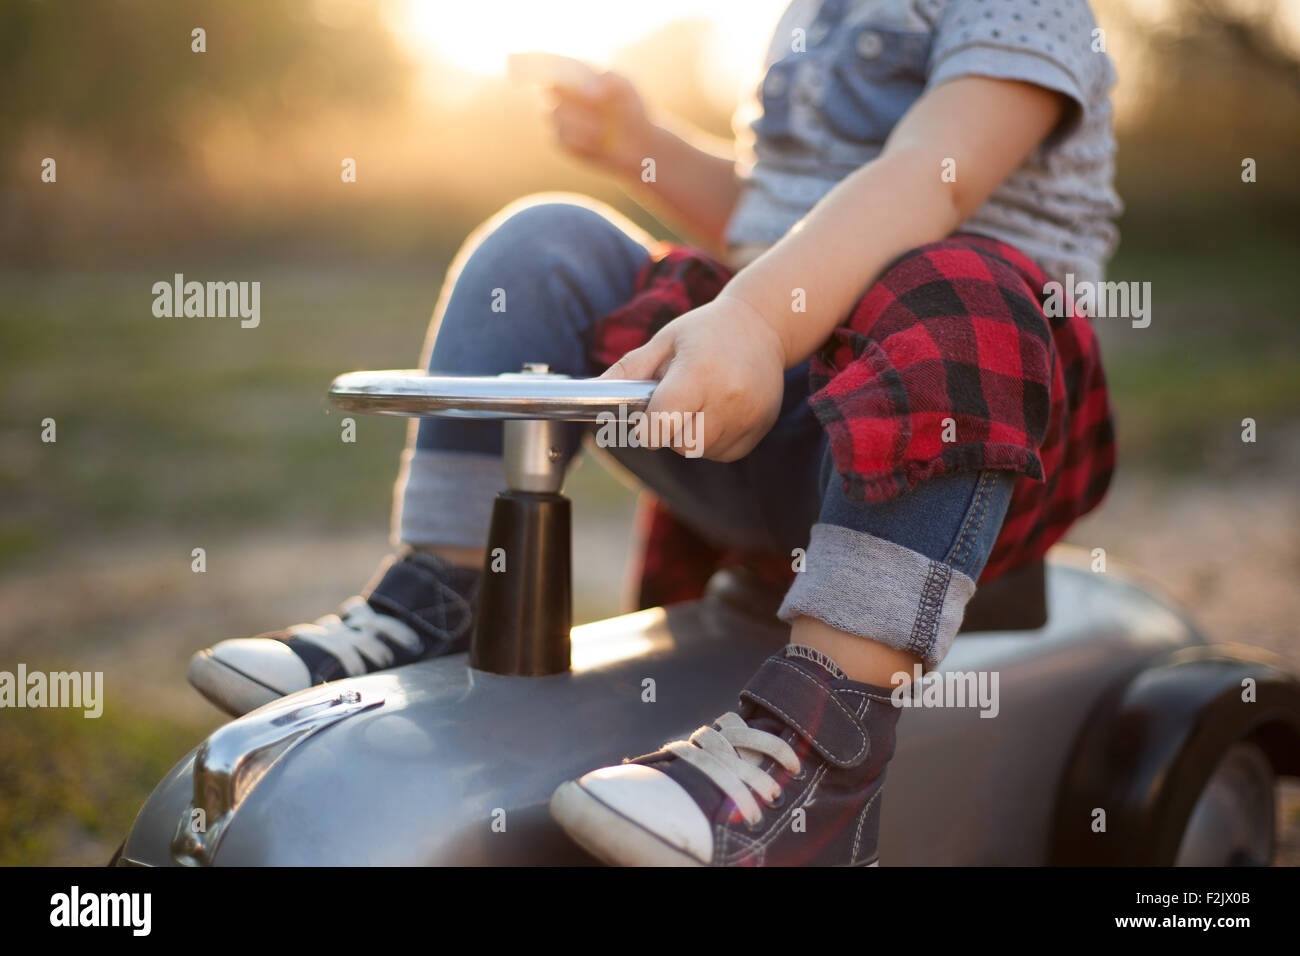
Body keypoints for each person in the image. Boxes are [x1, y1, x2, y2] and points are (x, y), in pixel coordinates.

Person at [188, 0, 1120, 866]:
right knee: (547, 244)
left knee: (964, 285)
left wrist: (754, 322)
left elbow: (931, 179)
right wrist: (643, 148)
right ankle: (444, 591)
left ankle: (823, 741)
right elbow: (769, 225)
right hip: (777, 413)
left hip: (969, 440)